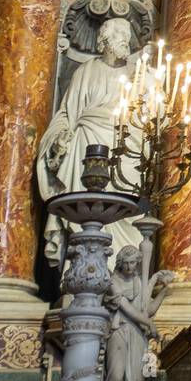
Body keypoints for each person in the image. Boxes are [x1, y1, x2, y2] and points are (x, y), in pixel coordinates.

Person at [36, 17, 142, 266]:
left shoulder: (137, 74)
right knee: (83, 210)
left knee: (126, 210)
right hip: (84, 147)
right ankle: (79, 273)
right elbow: (66, 114)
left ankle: (122, 276)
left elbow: (148, 117)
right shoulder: (86, 71)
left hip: (125, 151)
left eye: (127, 38)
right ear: (104, 41)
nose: (125, 42)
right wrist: (60, 138)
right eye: (119, 37)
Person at [96, 246, 173, 381]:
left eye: (133, 263)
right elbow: (130, 311)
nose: (130, 267)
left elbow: (148, 310)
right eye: (127, 263)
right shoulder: (113, 283)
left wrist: (163, 289)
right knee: (116, 375)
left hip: (137, 335)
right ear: (120, 263)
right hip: (120, 330)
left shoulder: (139, 282)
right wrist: (150, 326)